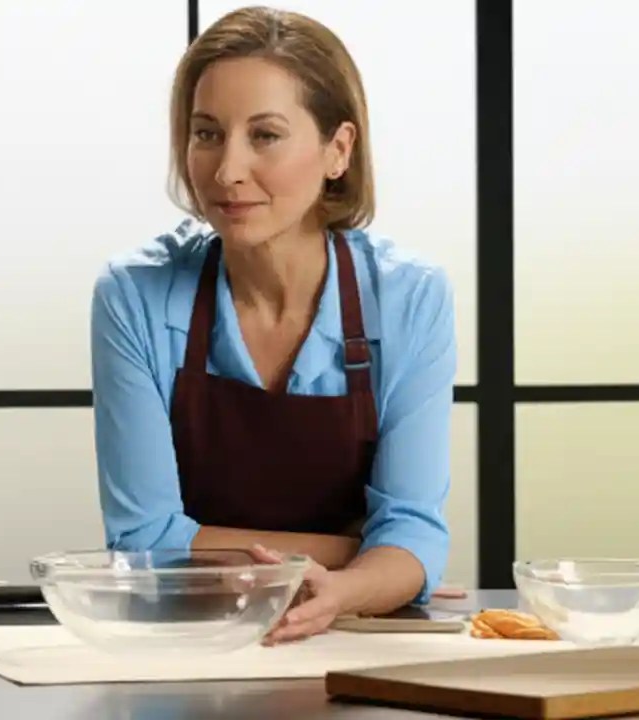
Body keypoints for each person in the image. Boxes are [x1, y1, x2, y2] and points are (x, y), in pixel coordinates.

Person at [89, 6, 457, 644]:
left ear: (338, 149)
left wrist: (353, 586)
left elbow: (415, 533)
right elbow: (144, 542)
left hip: (346, 631)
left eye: (264, 135)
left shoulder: (410, 298)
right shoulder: (134, 296)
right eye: (207, 134)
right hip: (187, 638)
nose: (227, 171)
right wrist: (369, 559)